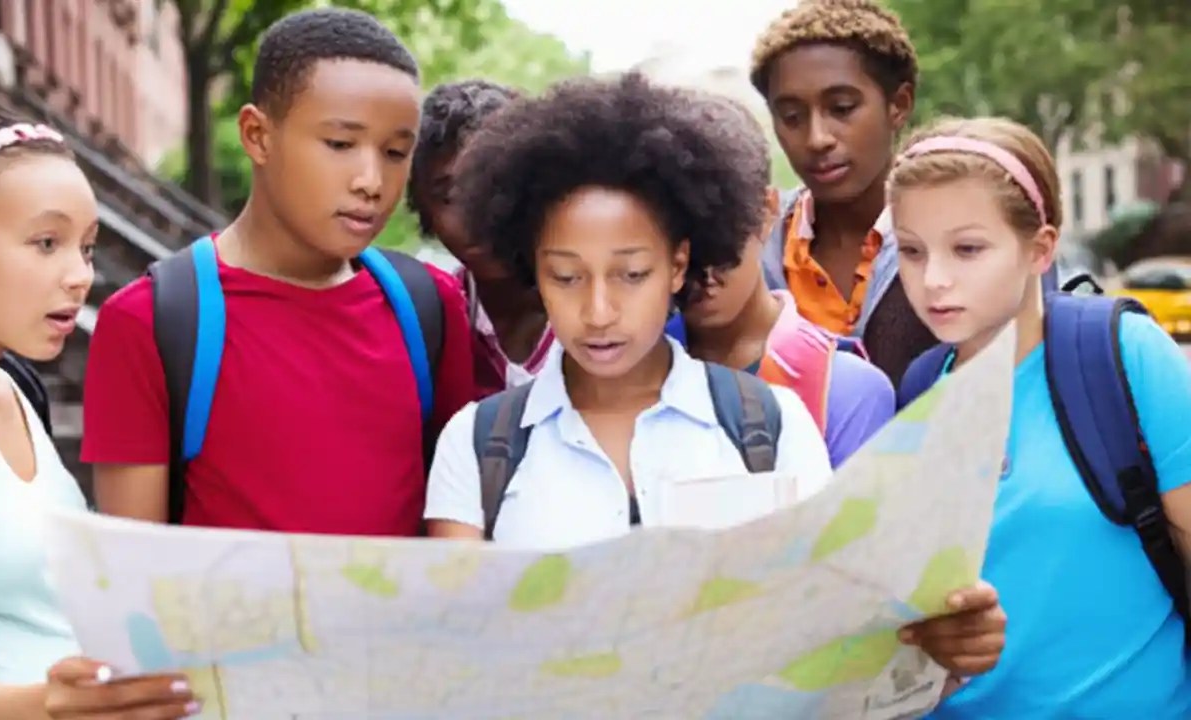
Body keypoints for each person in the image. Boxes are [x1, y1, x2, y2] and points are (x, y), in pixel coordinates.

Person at [424, 74, 1005, 687]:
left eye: (631, 274)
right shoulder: (478, 443)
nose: (598, 311)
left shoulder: (772, 425)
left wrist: (943, 634)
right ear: (532, 270)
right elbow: (460, 655)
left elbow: (838, 628)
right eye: (566, 277)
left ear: (678, 265)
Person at [82, 8, 475, 534]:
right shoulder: (150, 323)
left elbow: (457, 536)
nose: (370, 180)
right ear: (257, 135)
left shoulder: (429, 308)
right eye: (339, 144)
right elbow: (132, 578)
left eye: (395, 152)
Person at [887, 117, 1191, 718]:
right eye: (912, 251)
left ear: (1041, 248)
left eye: (968, 248)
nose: (934, 279)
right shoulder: (920, 389)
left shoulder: (1124, 353)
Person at [0, 105, 197, 718]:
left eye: (86, 248)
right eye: (46, 243)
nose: (79, 277)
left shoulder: (17, 385)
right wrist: (56, 703)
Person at [671, 93, 895, 467]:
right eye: (680, 242)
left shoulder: (843, 389)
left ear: (766, 212)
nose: (704, 270)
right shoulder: (623, 370)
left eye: (723, 234)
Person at [748, 0, 938, 385]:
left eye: (842, 108)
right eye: (791, 118)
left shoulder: (960, 236)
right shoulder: (749, 249)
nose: (817, 138)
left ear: (898, 105)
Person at [407, 80, 554, 398]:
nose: (476, 215)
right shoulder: (423, 320)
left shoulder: (600, 309)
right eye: (449, 196)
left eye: (498, 186)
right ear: (421, 206)